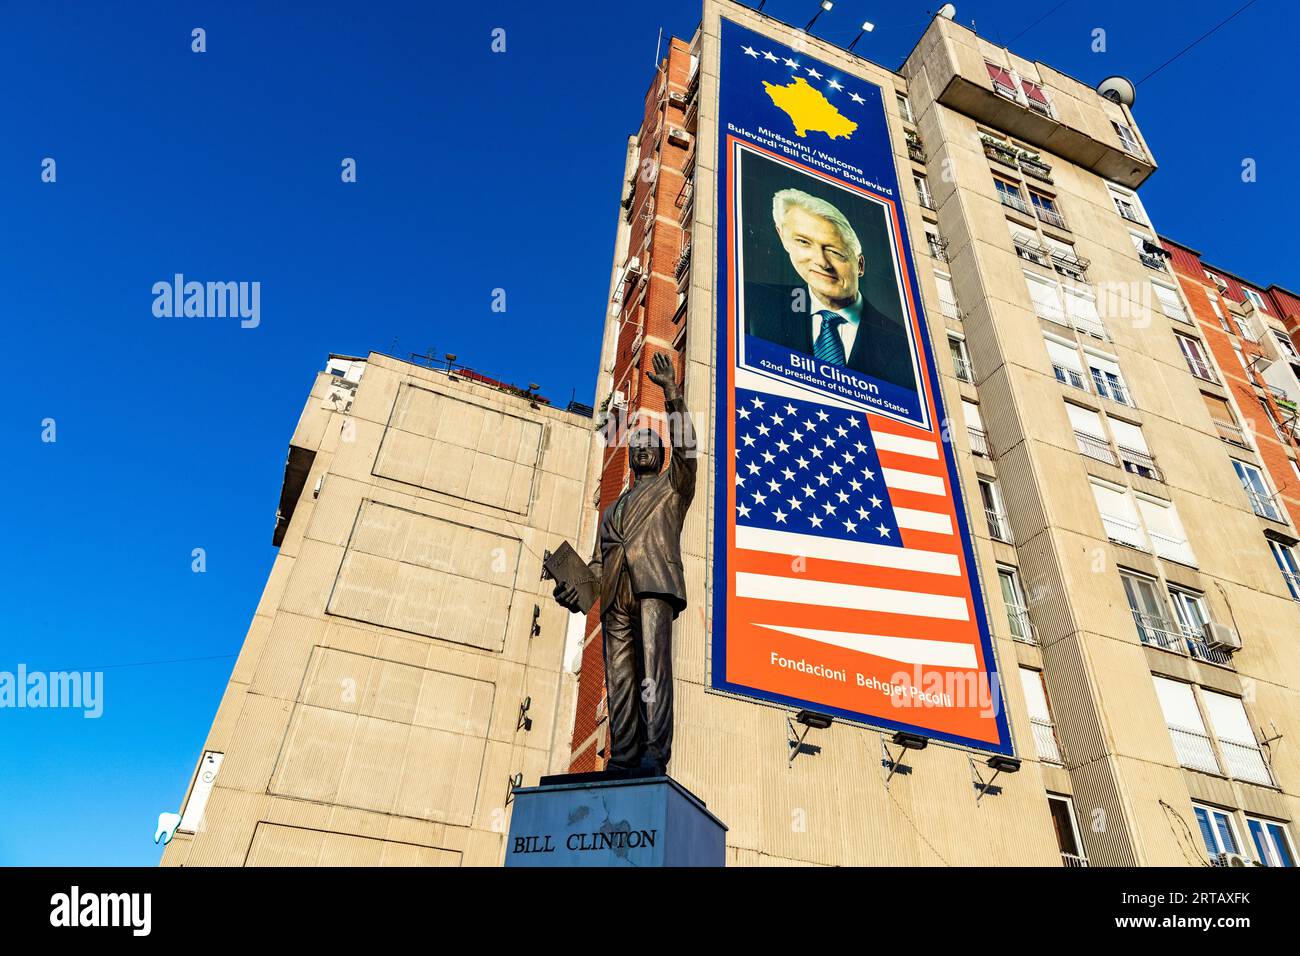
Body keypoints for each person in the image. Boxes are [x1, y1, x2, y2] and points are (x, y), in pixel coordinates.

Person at [553, 352, 696, 774]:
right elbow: (597, 567)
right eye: (638, 446)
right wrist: (572, 587)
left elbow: (687, 450)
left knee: (653, 670)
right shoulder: (612, 509)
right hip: (615, 595)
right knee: (619, 679)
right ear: (631, 459)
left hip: (654, 587)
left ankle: (655, 751)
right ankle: (624, 755)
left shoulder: (673, 489)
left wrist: (671, 394)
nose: (644, 450)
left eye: (652, 445)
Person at [744, 187, 914, 391]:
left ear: (860, 265)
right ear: (783, 238)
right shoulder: (750, 303)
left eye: (835, 252)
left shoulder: (905, 345)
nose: (821, 262)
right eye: (803, 242)